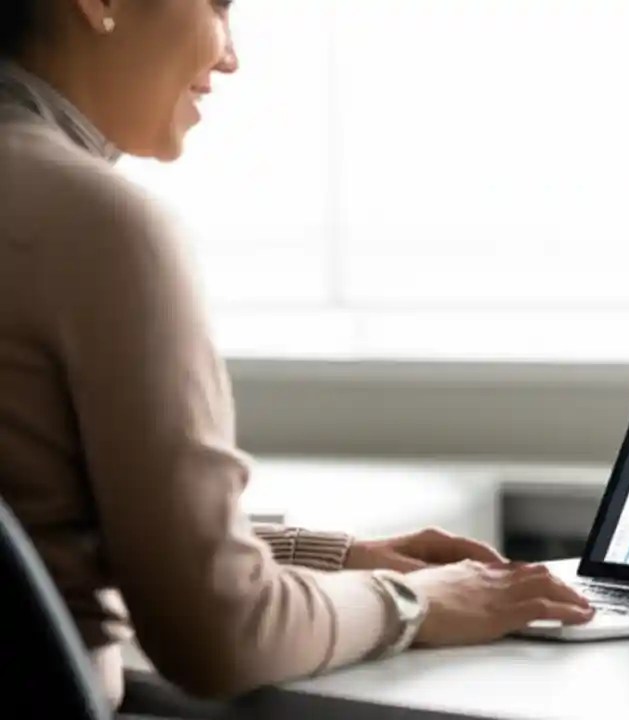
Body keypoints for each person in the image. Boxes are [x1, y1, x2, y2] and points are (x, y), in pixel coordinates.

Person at [0, 0, 594, 710]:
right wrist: (416, 602)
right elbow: (223, 634)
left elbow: (41, 532)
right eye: (217, 5)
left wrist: (331, 557)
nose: (230, 56)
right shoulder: (95, 223)